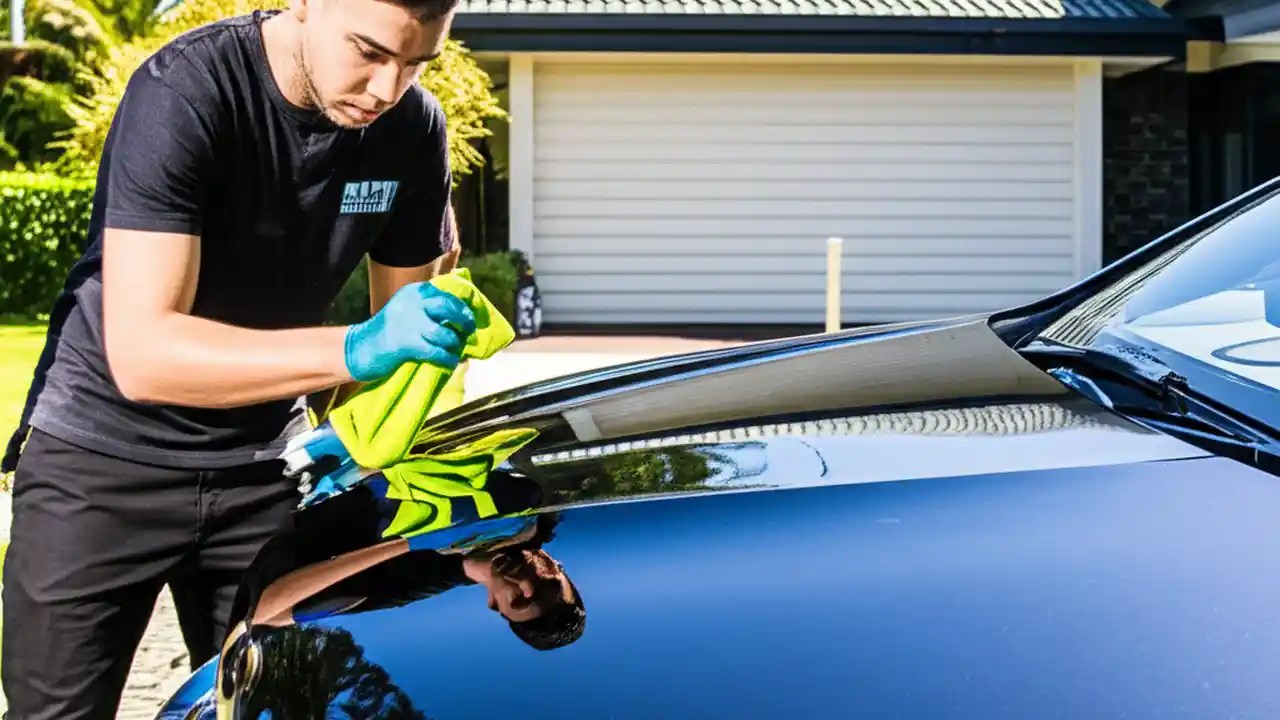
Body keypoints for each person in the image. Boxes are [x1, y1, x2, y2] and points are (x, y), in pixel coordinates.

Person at [0, 0, 474, 715]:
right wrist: (356, 348)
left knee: (284, 702)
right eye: (369, 52)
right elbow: (144, 355)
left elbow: (404, 352)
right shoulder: (187, 89)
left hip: (266, 469)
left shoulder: (410, 127)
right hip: (102, 464)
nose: (387, 88)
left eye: (414, 64)